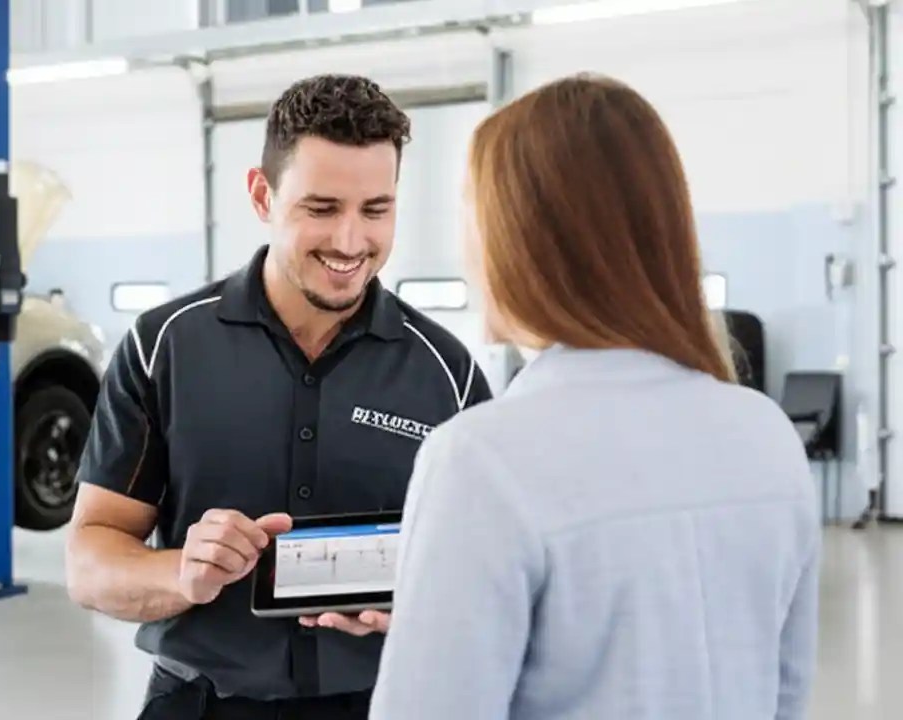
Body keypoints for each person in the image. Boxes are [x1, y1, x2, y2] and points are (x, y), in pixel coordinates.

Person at [370, 74, 821, 719]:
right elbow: (784, 694)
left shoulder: (481, 457)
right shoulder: (766, 433)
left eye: (471, 212)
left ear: (521, 237)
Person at [66, 73, 492, 720]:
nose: (351, 242)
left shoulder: (448, 373)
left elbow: (487, 570)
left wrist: (423, 602)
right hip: (201, 703)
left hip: (385, 702)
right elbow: (91, 560)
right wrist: (182, 572)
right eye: (321, 209)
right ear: (262, 195)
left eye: (376, 209)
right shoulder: (165, 346)